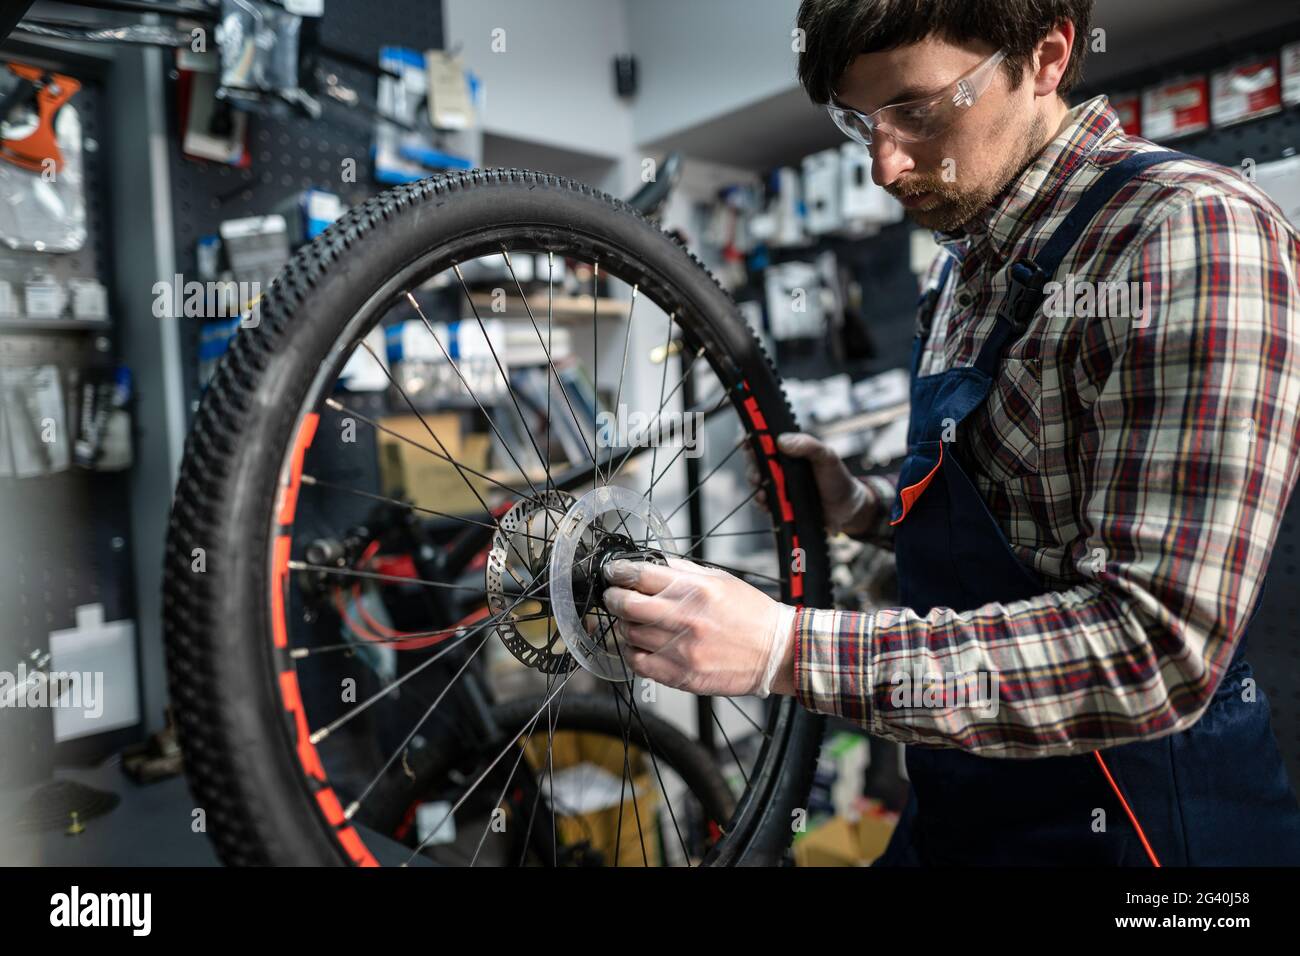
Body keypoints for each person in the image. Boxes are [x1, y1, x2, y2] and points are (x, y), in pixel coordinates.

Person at [601, 0, 1300, 865]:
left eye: (921, 112)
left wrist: (786, 648)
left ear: (1045, 57)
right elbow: (1000, 576)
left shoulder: (1188, 236)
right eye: (861, 122)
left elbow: (1156, 651)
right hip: (965, 806)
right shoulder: (961, 270)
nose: (884, 167)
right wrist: (862, 514)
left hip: (1146, 831)